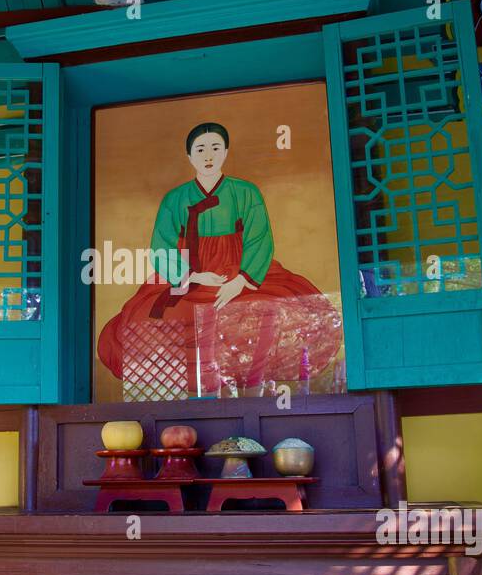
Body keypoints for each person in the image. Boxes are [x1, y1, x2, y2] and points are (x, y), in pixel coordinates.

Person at [97, 122, 342, 398]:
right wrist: (193, 276)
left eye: (215, 147)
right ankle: (203, 398)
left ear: (226, 152)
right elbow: (161, 247)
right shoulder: (175, 199)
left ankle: (252, 395)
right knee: (157, 317)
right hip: (190, 275)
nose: (208, 155)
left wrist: (241, 280)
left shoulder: (246, 193)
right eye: (200, 149)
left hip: (236, 273)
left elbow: (259, 239)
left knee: (265, 311)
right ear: (189, 156)